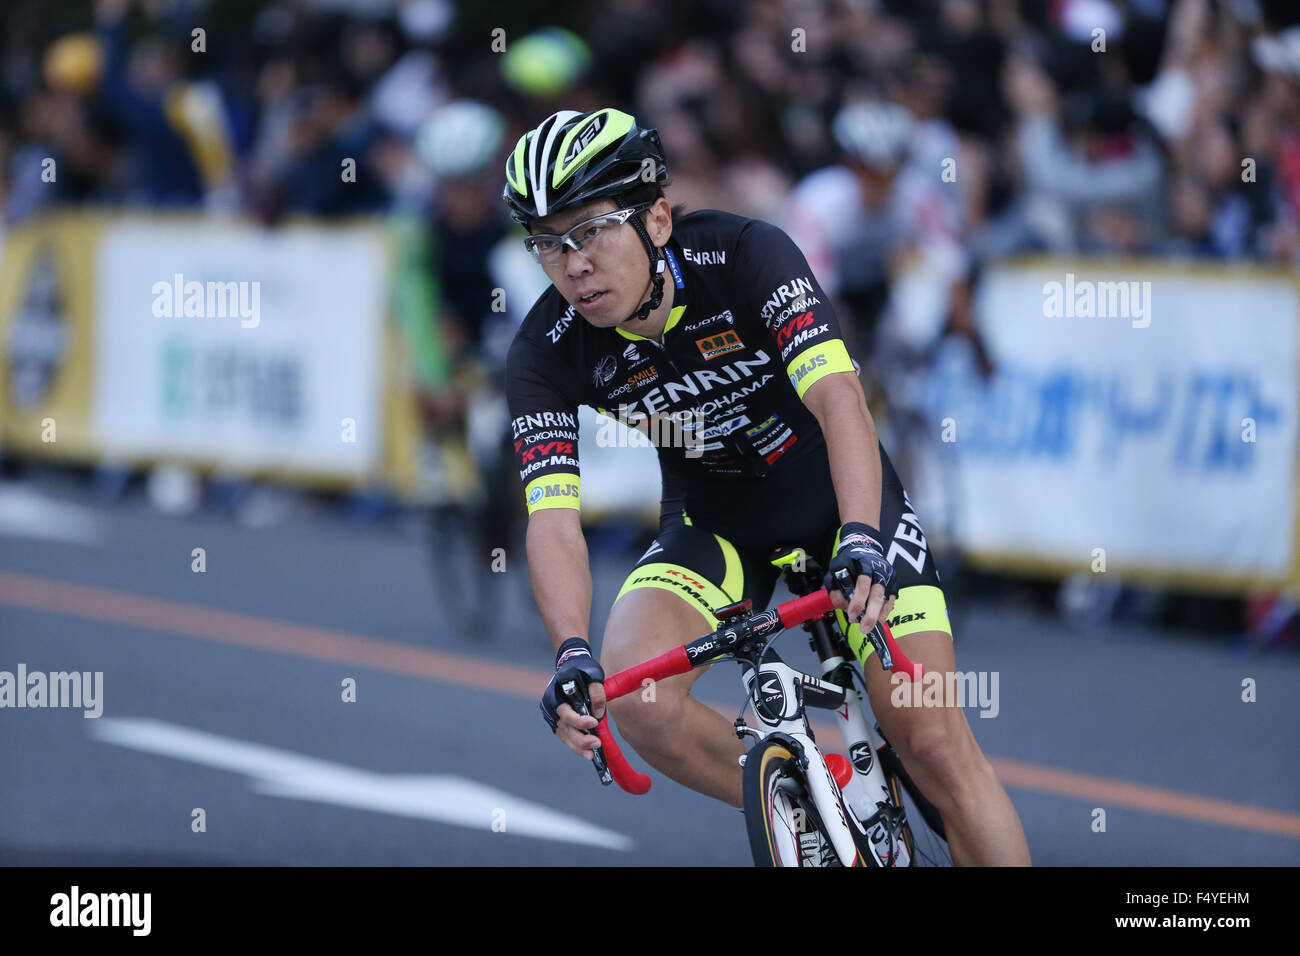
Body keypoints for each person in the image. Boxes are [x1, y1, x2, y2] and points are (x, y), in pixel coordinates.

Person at [503, 107, 1030, 865]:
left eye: (591, 230)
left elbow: (840, 399)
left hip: (840, 502)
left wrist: (860, 538)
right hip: (717, 522)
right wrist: (569, 653)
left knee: (932, 739)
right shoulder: (544, 350)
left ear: (655, 218)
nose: (572, 263)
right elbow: (552, 518)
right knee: (639, 697)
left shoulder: (746, 255)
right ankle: (822, 799)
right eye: (548, 243)